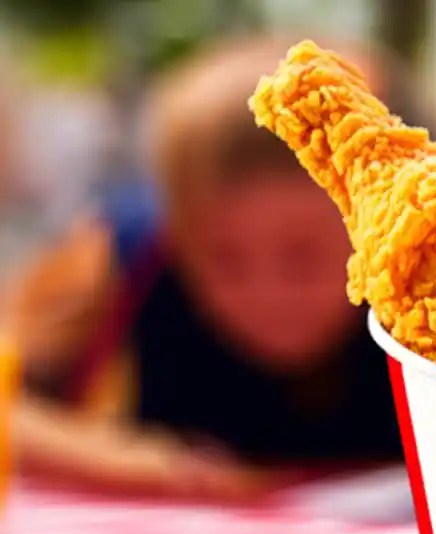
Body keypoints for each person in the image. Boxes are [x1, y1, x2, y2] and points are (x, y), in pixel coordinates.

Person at [8, 37, 414, 500]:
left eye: (302, 256)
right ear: (178, 230)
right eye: (223, 258)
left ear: (377, 223)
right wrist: (130, 462)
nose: (268, 293)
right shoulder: (121, 257)